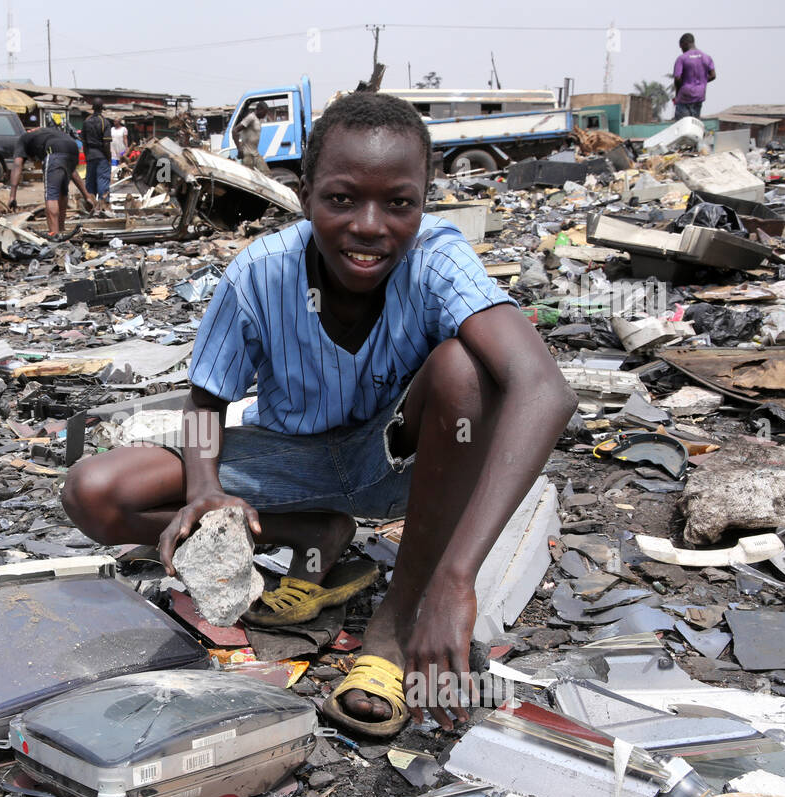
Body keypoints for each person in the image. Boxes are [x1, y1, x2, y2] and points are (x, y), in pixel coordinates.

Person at [61, 93, 577, 738]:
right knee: (96, 493)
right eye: (340, 199)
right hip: (290, 458)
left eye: (399, 203)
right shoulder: (260, 273)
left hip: (411, 464)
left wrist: (456, 579)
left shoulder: (437, 258)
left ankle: (394, 622)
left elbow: (543, 388)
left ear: (425, 197)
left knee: (464, 373)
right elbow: (206, 402)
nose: (370, 226)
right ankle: (311, 532)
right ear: (303, 194)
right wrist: (205, 493)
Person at [7, 126, 96, 237]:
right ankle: (61, 230)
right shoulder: (47, 134)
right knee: (63, 192)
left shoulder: (22, 140)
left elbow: (17, 165)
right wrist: (86, 195)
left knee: (51, 194)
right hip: (73, 148)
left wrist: (12, 196)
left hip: (54, 151)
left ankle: (54, 235)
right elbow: (73, 172)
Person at [672, 33, 715, 120]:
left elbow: (677, 78)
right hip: (699, 95)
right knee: (694, 122)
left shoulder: (682, 58)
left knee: (682, 124)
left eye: (681, 47)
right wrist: (702, 81)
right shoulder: (706, 57)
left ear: (684, 43)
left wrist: (677, 94)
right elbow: (713, 75)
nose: (681, 50)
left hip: (685, 96)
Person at [81, 97, 113, 207]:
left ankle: (90, 206)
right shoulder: (105, 122)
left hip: (90, 156)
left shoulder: (86, 122)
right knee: (103, 182)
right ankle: (103, 206)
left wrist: (87, 156)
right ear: (102, 109)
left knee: (90, 183)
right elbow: (106, 144)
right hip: (101, 156)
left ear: (93, 108)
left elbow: (84, 143)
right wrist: (108, 158)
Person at [235, 101, 270, 173]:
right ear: (259, 109)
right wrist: (239, 149)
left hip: (255, 154)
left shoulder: (257, 120)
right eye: (264, 112)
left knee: (267, 174)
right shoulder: (251, 118)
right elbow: (234, 131)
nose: (265, 115)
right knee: (250, 177)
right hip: (247, 155)